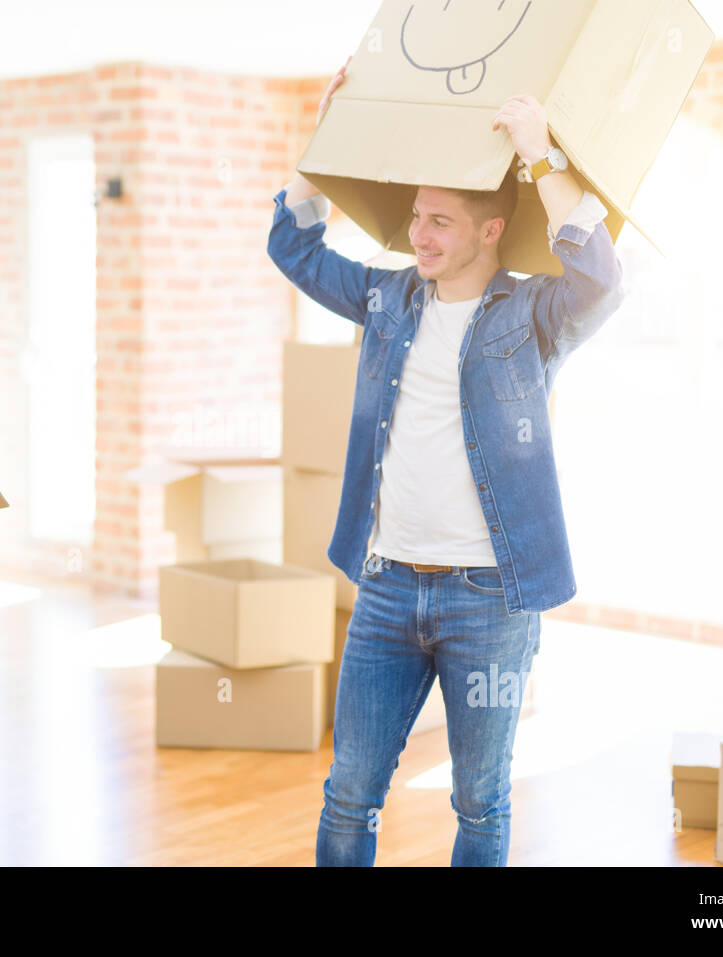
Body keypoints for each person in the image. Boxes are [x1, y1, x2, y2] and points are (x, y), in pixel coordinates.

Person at [267, 58, 625, 866]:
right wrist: (323, 141)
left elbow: (602, 276)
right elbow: (292, 247)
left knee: (479, 800)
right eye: (417, 217)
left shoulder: (531, 314)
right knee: (350, 791)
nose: (417, 235)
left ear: (491, 229)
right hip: (387, 589)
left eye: (439, 223)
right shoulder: (387, 299)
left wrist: (541, 153)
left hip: (489, 601)